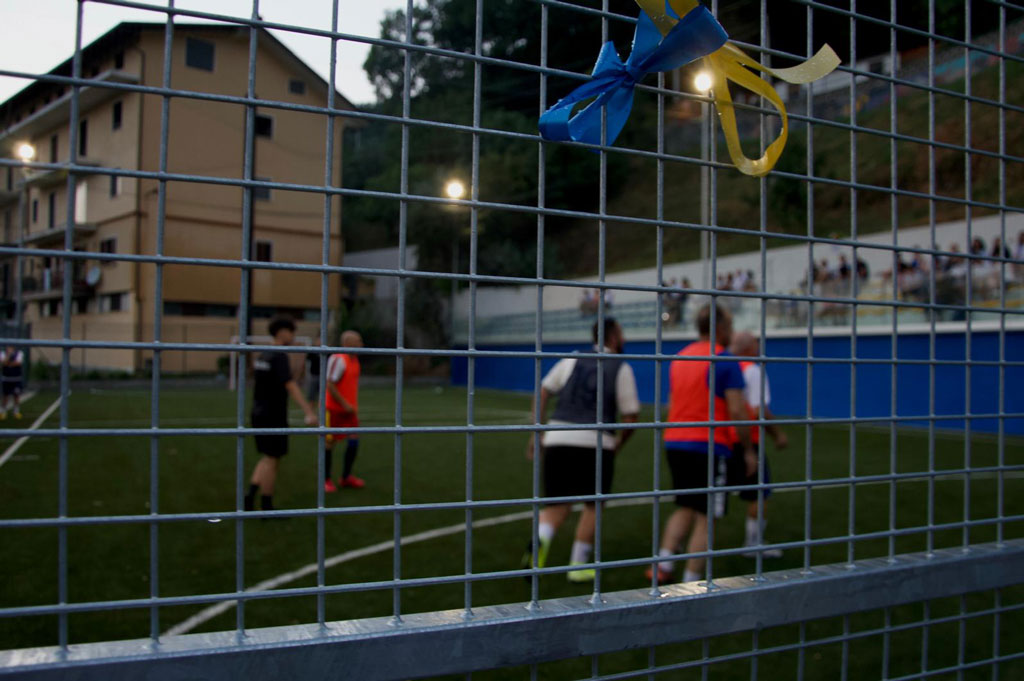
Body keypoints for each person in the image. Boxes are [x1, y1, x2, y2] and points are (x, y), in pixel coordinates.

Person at [523, 318, 639, 583]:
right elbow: (631, 415)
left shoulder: (571, 360)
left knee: (555, 504)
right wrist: (620, 441)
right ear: (613, 337)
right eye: (621, 334)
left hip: (558, 438)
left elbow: (543, 391)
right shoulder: (620, 366)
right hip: (596, 442)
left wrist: (538, 432)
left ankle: (537, 548)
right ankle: (577, 564)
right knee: (593, 504)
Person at [646, 304, 755, 585]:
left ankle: (663, 564)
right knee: (707, 516)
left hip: (675, 442)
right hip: (708, 445)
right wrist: (748, 449)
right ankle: (693, 581)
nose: (732, 331)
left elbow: (673, 402)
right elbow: (738, 411)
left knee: (685, 505)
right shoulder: (724, 359)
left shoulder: (680, 357)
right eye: (730, 325)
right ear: (719, 327)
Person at [244, 317, 317, 513]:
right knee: (272, 459)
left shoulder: (263, 355)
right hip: (273, 414)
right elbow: (290, 385)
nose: (293, 336)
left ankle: (250, 497)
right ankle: (267, 506)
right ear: (282, 332)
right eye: (291, 331)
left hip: (258, 412)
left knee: (267, 457)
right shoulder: (278, 355)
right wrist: (309, 411)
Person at [726, 332, 788, 557]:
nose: (759, 347)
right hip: (746, 439)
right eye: (755, 343)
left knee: (708, 494)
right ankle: (753, 544)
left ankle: (683, 544)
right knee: (759, 493)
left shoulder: (724, 366)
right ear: (747, 348)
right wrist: (778, 434)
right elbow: (758, 409)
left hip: (722, 438)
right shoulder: (752, 370)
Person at [323, 330, 365, 491]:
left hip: (350, 411)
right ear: (347, 343)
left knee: (354, 440)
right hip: (333, 409)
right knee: (329, 442)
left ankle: (346, 477)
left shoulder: (355, 360)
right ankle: (326, 479)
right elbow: (330, 384)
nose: (362, 344)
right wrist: (344, 403)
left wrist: (351, 406)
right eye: (358, 341)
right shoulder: (338, 359)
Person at [0, 346, 25, 420]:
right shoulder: (3, 354)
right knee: (5, 396)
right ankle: (3, 412)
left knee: (16, 396)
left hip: (16, 379)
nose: (9, 349)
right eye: (8, 348)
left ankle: (16, 412)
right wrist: (9, 357)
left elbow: (18, 363)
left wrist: (8, 363)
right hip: (6, 379)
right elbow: (3, 363)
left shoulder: (19, 353)